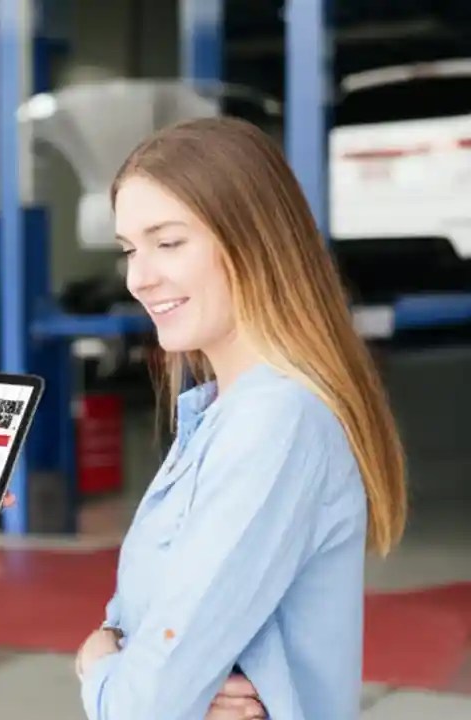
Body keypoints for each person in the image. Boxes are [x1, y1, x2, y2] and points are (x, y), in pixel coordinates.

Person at [73, 116, 407, 720]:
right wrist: (130, 660)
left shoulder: (275, 424)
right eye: (129, 250)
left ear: (253, 241)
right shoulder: (219, 413)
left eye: (168, 242)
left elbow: (144, 706)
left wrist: (98, 665)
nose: (139, 278)